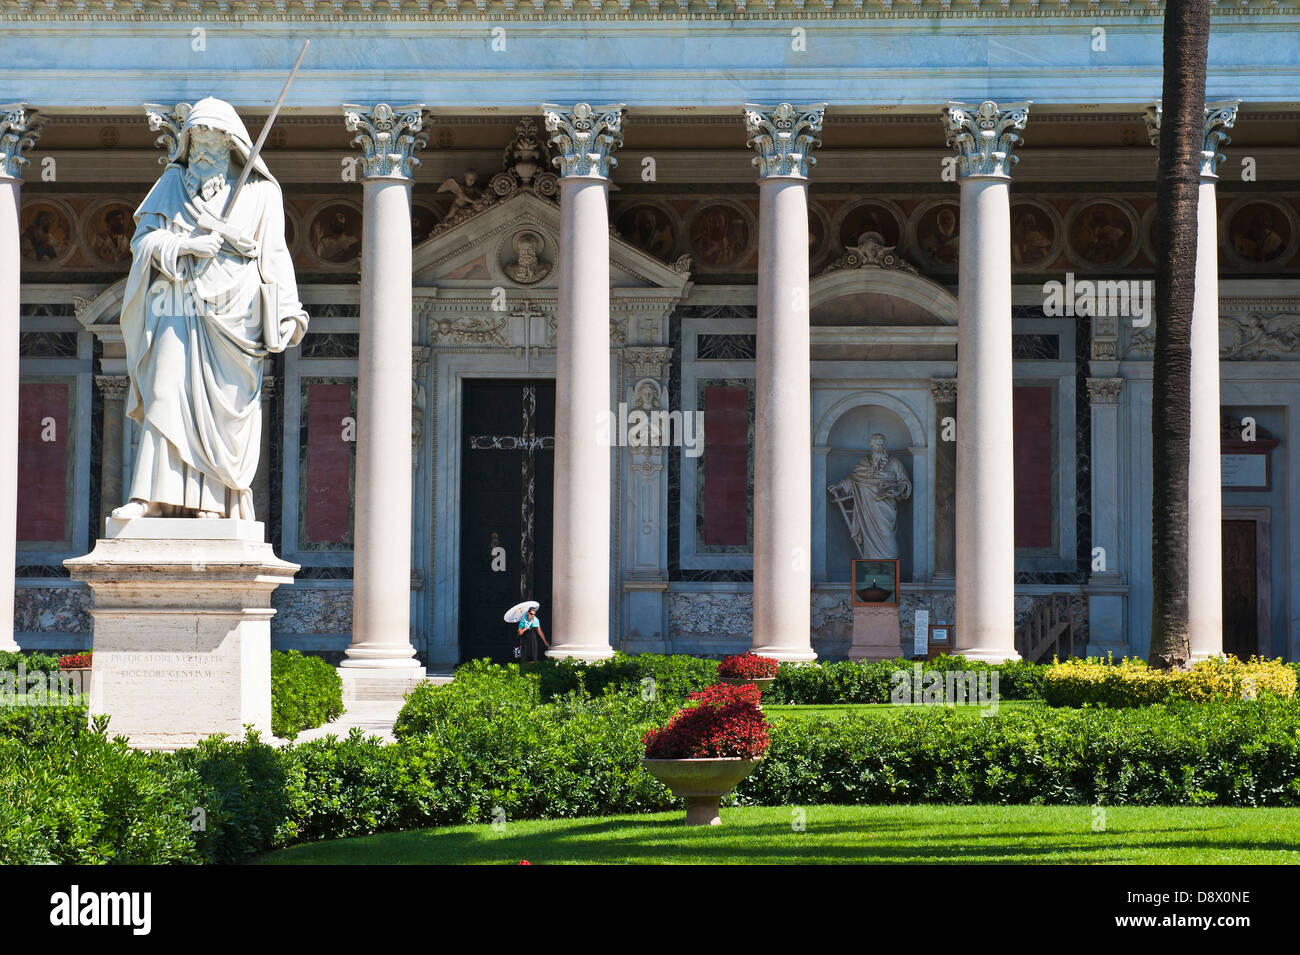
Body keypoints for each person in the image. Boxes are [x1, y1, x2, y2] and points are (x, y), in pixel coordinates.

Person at [110, 97, 308, 522]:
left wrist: (289, 309)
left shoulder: (260, 193)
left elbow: (274, 255)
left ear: (231, 145)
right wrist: (186, 245)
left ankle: (213, 502)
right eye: (195, 141)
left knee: (222, 415)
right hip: (177, 308)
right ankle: (150, 498)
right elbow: (142, 243)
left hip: (234, 316)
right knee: (164, 393)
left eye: (210, 143)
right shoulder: (171, 184)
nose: (200, 152)